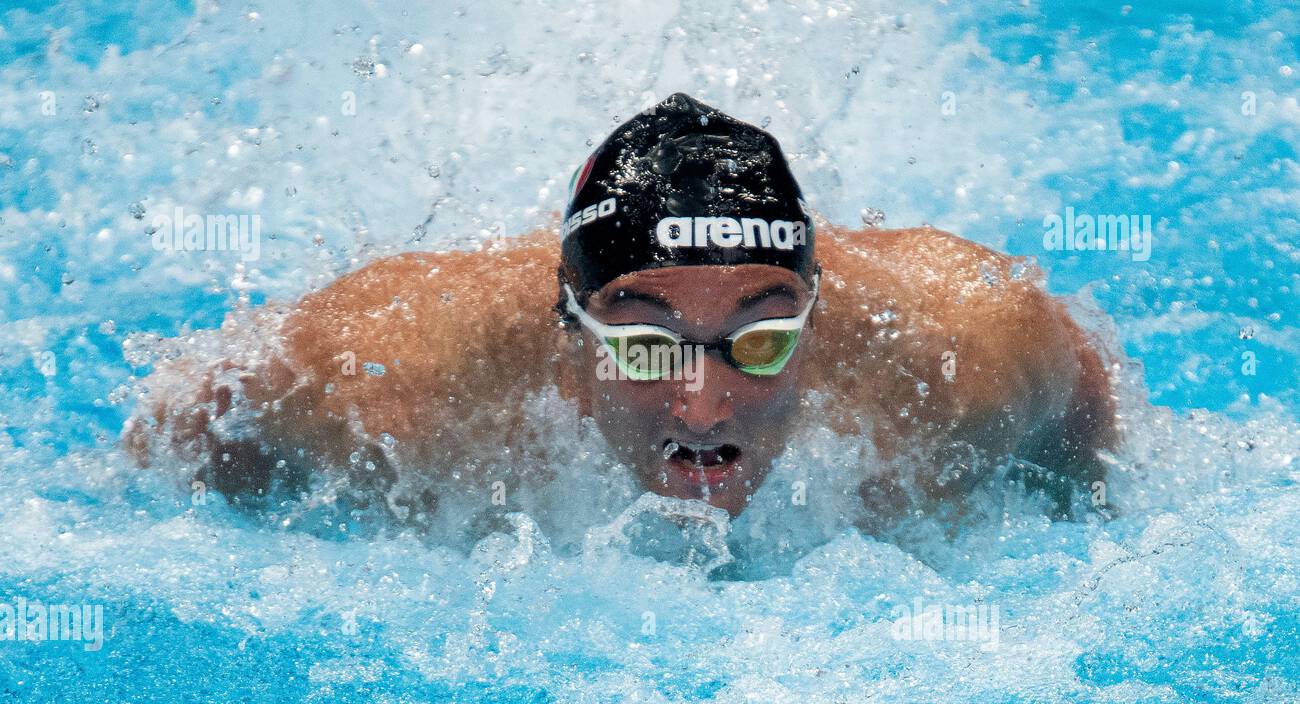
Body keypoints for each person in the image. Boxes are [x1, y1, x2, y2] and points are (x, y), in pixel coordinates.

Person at [125, 93, 1116, 531]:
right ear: (571, 343)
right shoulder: (390, 383)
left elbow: (1083, 429)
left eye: (761, 341)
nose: (703, 408)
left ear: (816, 325)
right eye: (643, 348)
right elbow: (174, 439)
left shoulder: (963, 344)